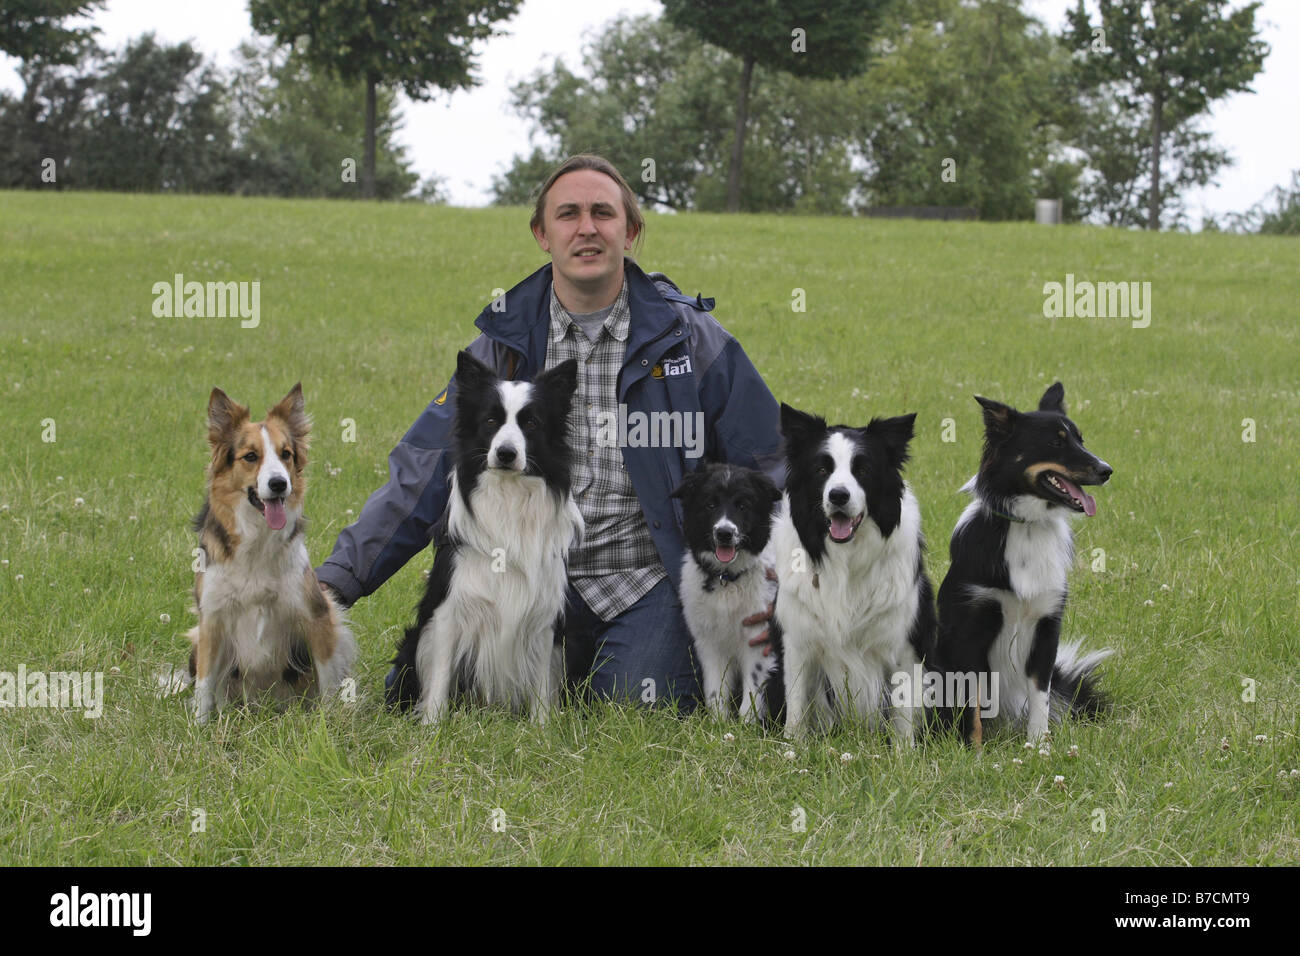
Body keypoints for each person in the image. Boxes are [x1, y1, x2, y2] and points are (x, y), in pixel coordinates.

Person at [316, 154, 783, 711]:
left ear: (630, 232)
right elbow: (422, 472)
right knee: (437, 694)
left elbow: (772, 461)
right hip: (525, 573)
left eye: (603, 213)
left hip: (642, 579)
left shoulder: (691, 338)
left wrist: (781, 577)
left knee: (634, 704)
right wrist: (335, 582)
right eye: (567, 214)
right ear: (542, 233)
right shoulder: (504, 341)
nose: (586, 228)